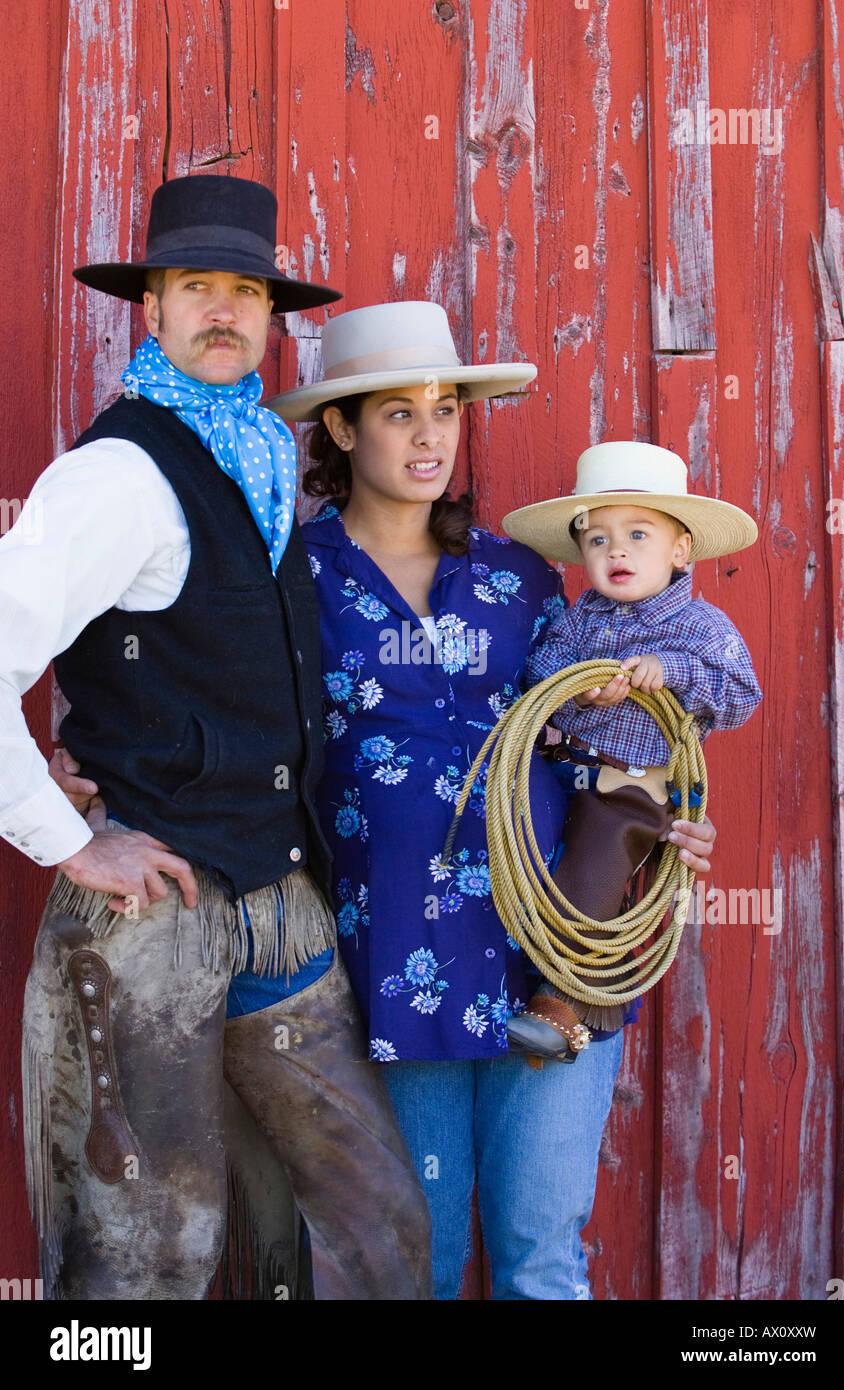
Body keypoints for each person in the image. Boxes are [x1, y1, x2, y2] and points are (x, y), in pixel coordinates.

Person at [1, 174, 432, 1300]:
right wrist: (65, 838)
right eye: (197, 286)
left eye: (246, 288)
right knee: (142, 1260)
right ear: (151, 307)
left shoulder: (259, 454)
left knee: (376, 1225)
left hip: (277, 897)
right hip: (149, 914)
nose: (224, 311)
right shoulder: (116, 475)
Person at [267, 300, 719, 1300]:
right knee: (409, 1263)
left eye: (444, 411)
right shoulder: (294, 576)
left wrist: (660, 814)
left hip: (547, 941)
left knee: (538, 1258)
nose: (430, 437)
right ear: (340, 429)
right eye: (397, 414)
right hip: (387, 956)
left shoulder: (516, 578)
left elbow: (597, 736)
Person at [502, 441, 763, 1059]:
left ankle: (562, 1005)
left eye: (638, 534)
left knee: (593, 864)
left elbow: (739, 695)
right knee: (530, 859)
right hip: (561, 775)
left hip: (633, 788)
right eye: (598, 539)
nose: (615, 550)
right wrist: (579, 696)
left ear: (680, 550)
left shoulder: (700, 629)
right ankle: (571, 992)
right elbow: (540, 677)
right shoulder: (580, 620)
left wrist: (669, 671)